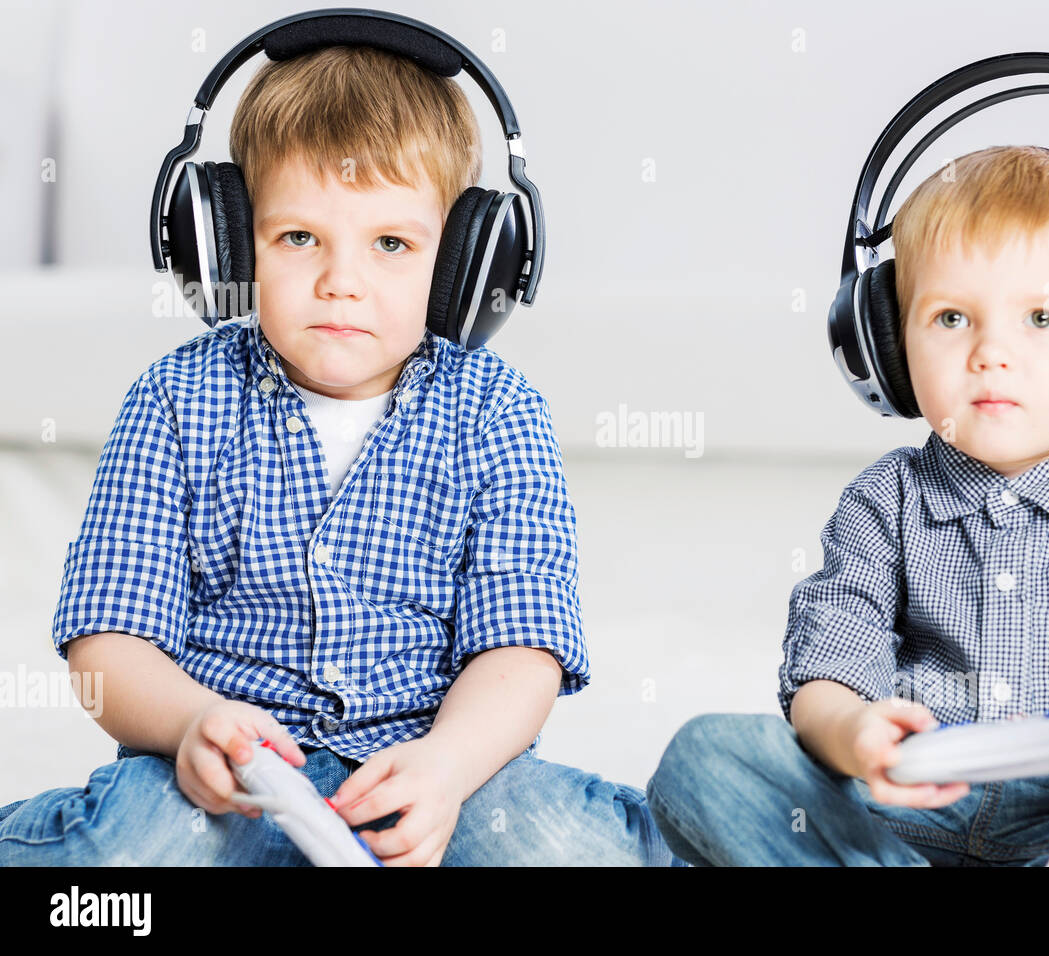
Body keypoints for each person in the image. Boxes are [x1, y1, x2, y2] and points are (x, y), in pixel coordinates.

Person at [0, 41, 678, 867]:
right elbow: (108, 638)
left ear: (466, 263)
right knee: (121, 851)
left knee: (563, 846)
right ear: (231, 248)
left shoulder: (499, 410)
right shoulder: (175, 399)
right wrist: (189, 725)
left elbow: (521, 646)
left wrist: (449, 765)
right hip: (234, 773)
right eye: (297, 237)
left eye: (391, 244)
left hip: (430, 764)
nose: (340, 281)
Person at [645, 145, 1049, 866]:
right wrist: (855, 731)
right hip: (900, 824)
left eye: (1041, 319)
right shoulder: (883, 502)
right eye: (952, 319)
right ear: (889, 350)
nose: (990, 352)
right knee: (706, 759)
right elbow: (826, 679)